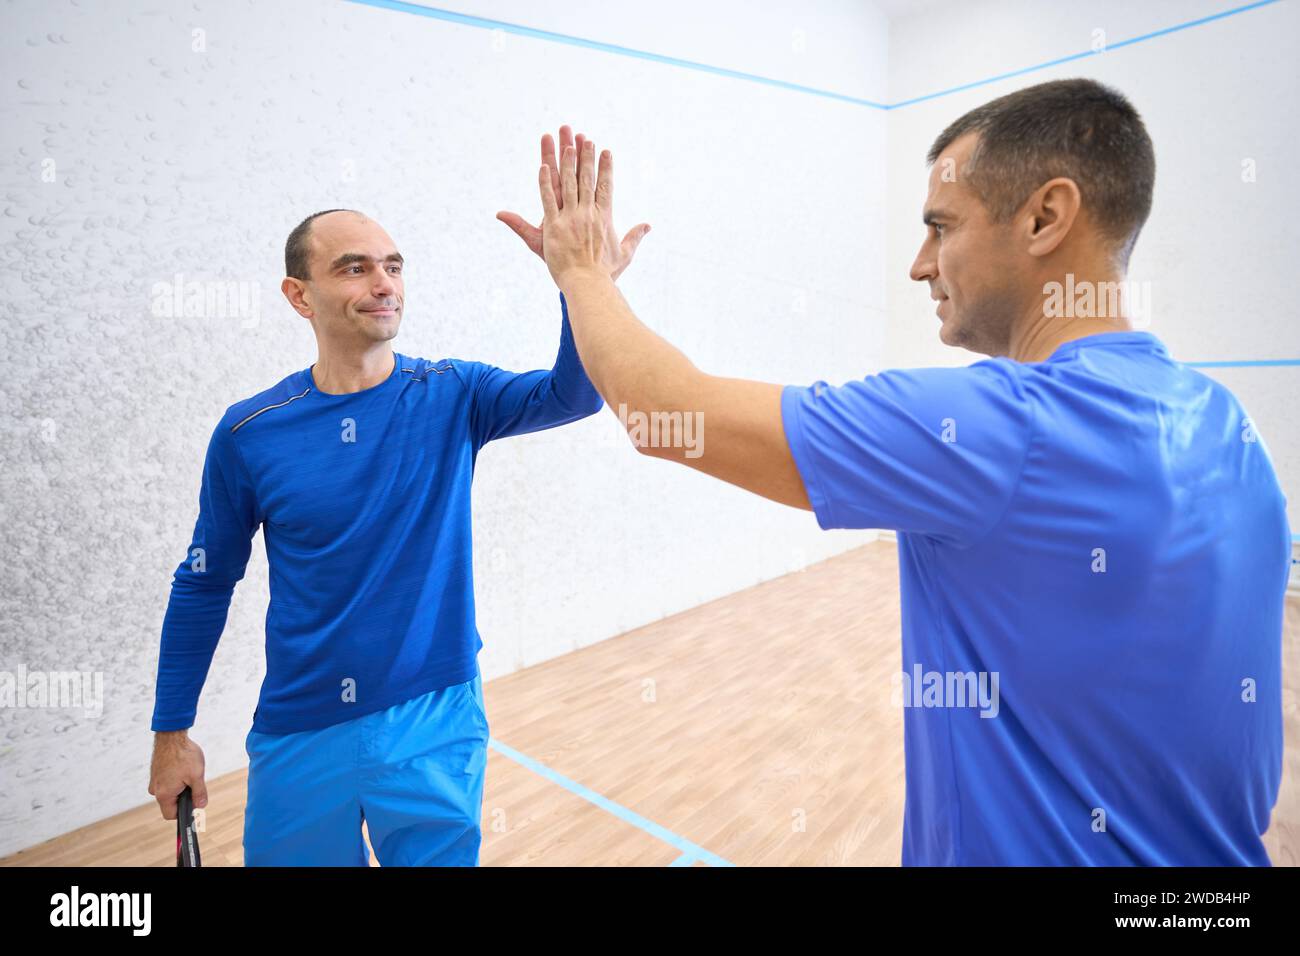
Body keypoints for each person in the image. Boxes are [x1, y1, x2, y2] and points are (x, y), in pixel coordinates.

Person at [501, 81, 1291, 865]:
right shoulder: (1229, 426)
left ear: (1045, 218)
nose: (920, 266)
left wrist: (582, 272)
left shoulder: (998, 430)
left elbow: (658, 410)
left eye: (940, 228)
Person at [149, 137, 649, 865]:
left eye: (392, 266)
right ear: (299, 295)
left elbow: (572, 395)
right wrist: (172, 732)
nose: (383, 283)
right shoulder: (250, 433)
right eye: (353, 268)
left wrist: (581, 284)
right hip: (300, 731)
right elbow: (202, 582)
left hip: (436, 716)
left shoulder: (453, 393)